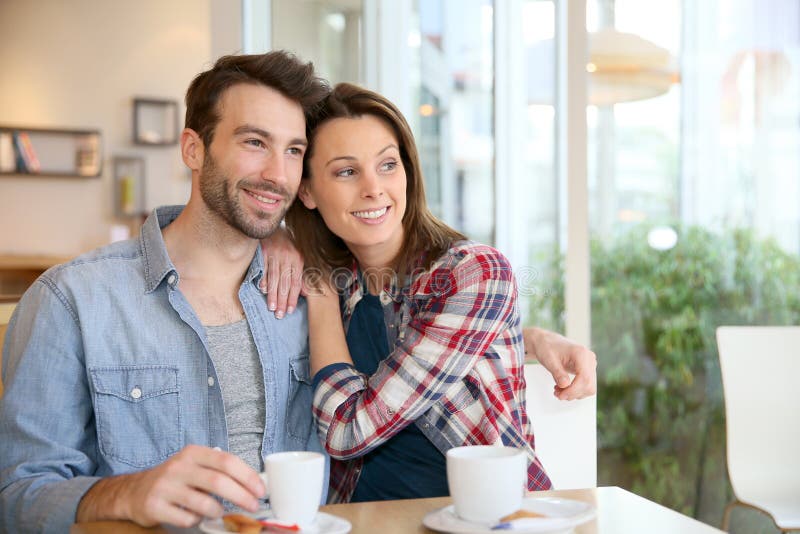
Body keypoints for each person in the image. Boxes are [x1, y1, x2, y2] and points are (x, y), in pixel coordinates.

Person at [0, 51, 329, 532]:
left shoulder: (312, 296)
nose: (278, 174)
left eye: (294, 150)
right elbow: (16, 497)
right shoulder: (70, 301)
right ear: (193, 149)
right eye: (255, 142)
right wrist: (125, 493)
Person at [282, 82, 559, 503]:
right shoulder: (331, 279)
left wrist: (318, 295)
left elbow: (345, 432)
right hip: (357, 520)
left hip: (481, 518)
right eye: (346, 171)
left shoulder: (474, 272)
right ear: (306, 191)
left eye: (387, 165)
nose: (374, 188)